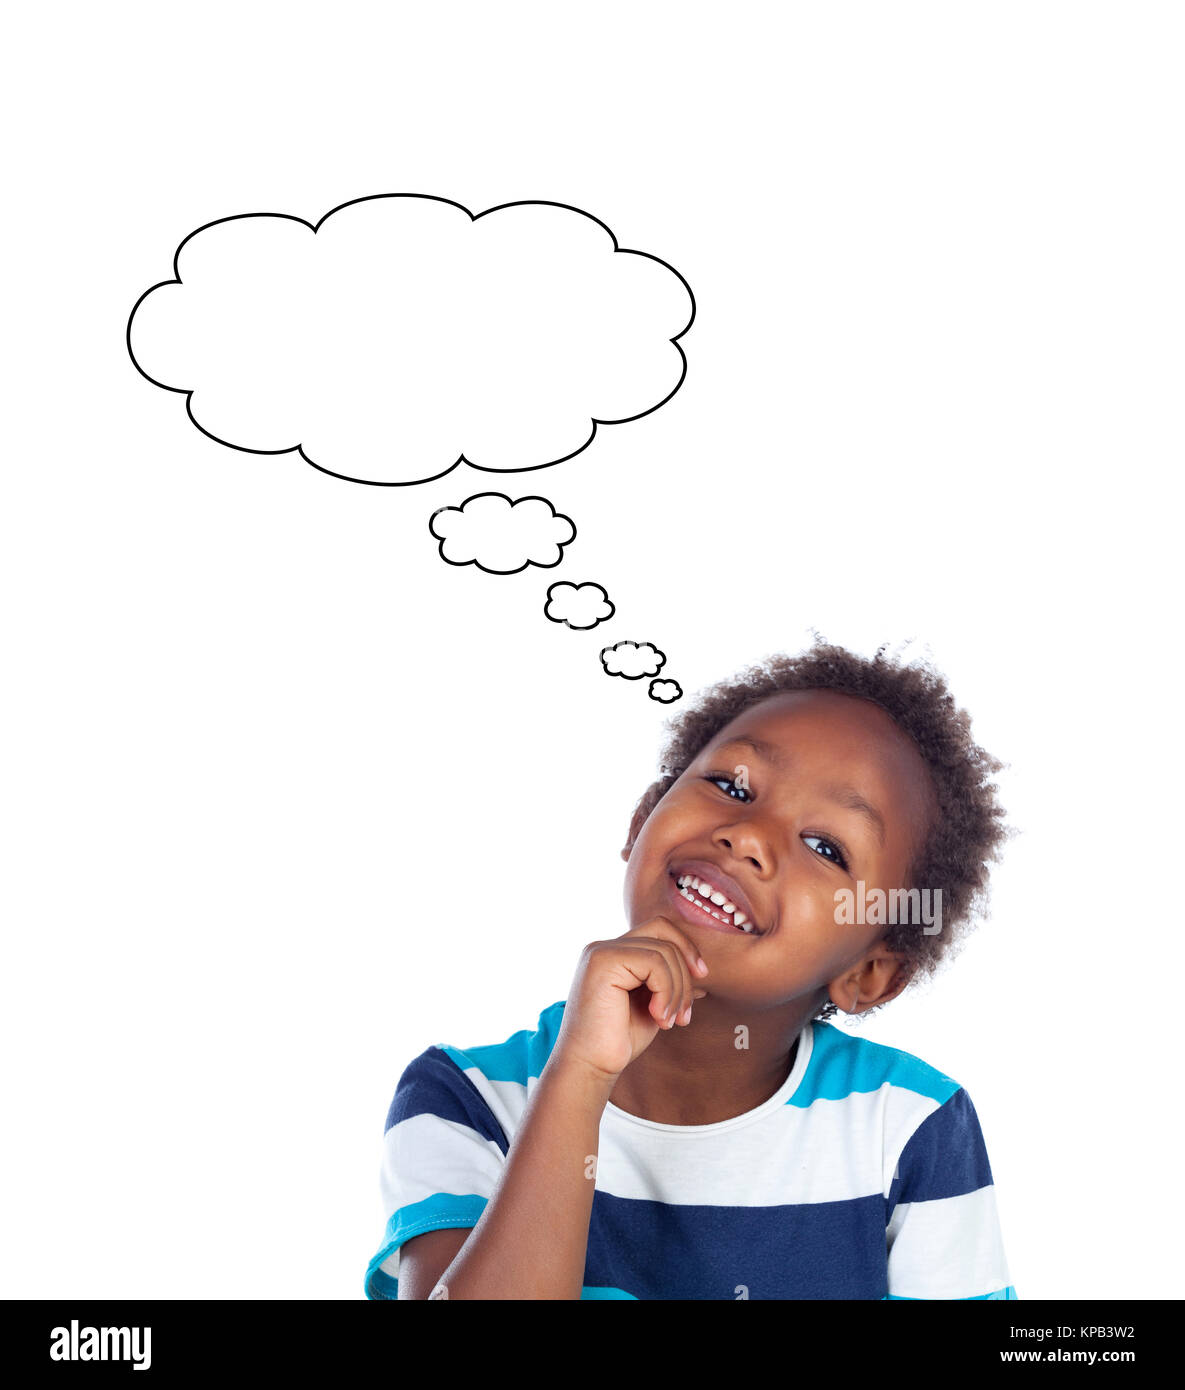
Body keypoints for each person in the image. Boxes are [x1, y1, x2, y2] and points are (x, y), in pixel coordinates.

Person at [365, 641, 1016, 1299]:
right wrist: (579, 1078)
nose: (748, 836)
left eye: (824, 847)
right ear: (643, 816)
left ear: (868, 973)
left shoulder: (907, 1126)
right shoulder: (465, 1099)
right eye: (730, 786)